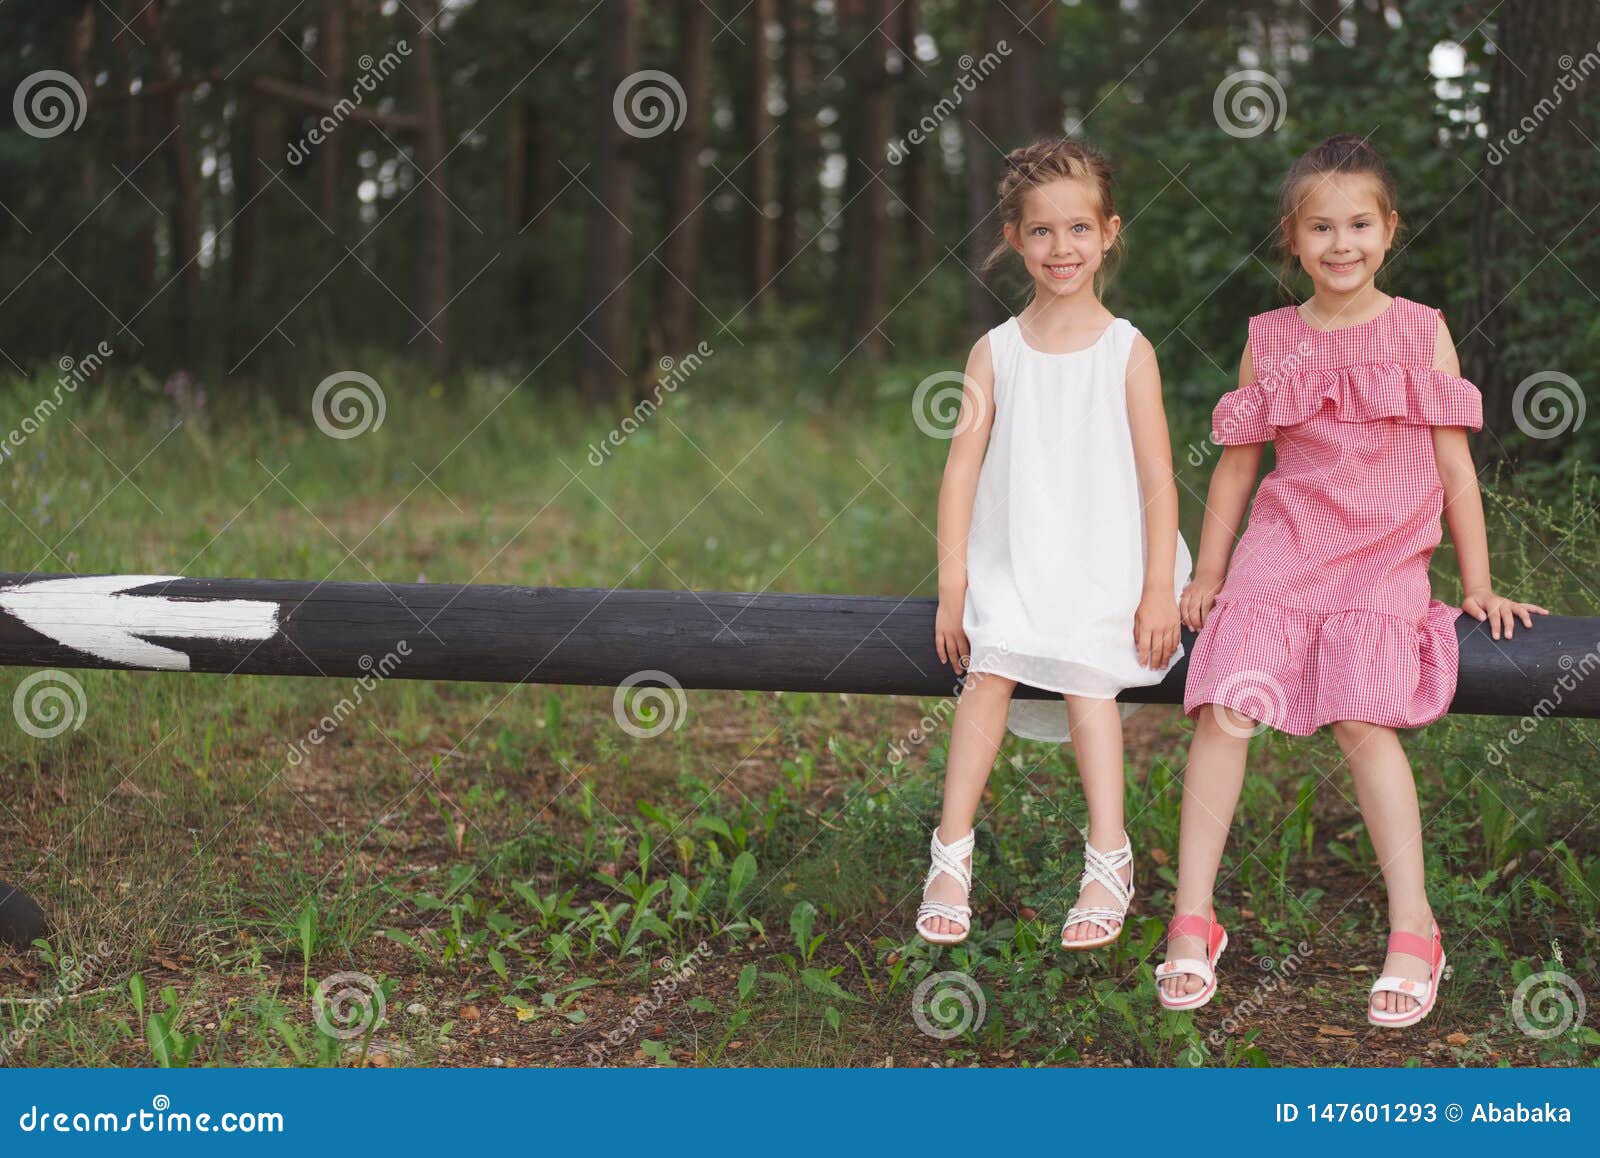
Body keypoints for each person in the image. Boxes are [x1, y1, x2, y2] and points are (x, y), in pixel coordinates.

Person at [1161, 134, 1548, 1026]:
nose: (1342, 244)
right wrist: (1210, 571)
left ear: (1390, 229)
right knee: (1226, 704)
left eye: (1360, 225)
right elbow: (1237, 467)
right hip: (1285, 545)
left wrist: (1479, 582)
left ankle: (1415, 926)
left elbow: (1454, 468)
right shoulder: (1270, 338)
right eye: (1321, 228)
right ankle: (1193, 917)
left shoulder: (1421, 328)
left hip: (1383, 551)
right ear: (1291, 241)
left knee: (1361, 715)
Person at [919, 137, 1192, 952]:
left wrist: (1154, 588)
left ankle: (1108, 857)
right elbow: (961, 470)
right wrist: (953, 583)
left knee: (1083, 663)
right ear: (1015, 239)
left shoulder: (1127, 349)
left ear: (1108, 233)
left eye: (1078, 229)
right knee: (991, 660)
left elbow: (1157, 479)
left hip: (1111, 556)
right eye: (1041, 232)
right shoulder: (995, 351)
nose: (1061, 248)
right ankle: (949, 854)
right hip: (1019, 550)